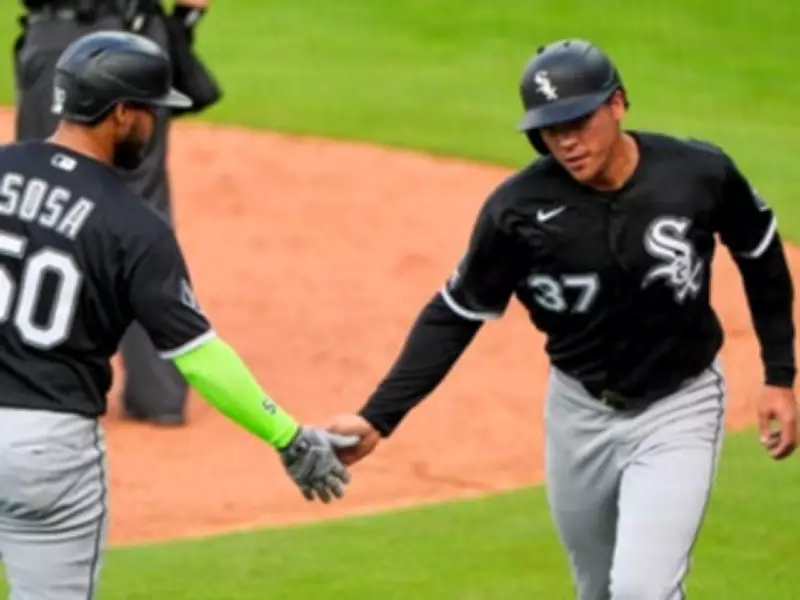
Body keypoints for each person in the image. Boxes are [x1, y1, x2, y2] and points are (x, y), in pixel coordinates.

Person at [326, 38, 798, 599]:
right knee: (596, 590)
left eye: (578, 121)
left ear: (618, 103)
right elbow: (454, 313)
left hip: (680, 405)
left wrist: (779, 374)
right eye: (551, 130)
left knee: (642, 591)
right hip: (578, 415)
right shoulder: (517, 210)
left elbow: (760, 254)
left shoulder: (697, 173)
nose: (567, 142)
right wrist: (379, 416)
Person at [0, 30, 357, 600]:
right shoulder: (134, 225)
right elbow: (201, 358)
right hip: (47, 450)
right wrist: (288, 437)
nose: (156, 125)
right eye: (152, 112)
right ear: (120, 115)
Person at [13, 0, 214, 426]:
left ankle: (26, 378)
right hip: (135, 41)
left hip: (54, 43)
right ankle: (158, 393)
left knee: (37, 202)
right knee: (142, 210)